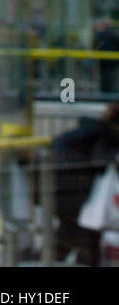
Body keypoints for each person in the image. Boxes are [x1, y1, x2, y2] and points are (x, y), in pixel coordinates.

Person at [50, 101, 119, 265]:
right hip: (73, 188)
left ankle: (53, 258)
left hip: (58, 186)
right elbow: (100, 161)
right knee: (84, 232)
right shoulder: (106, 135)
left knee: (70, 231)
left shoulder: (90, 129)